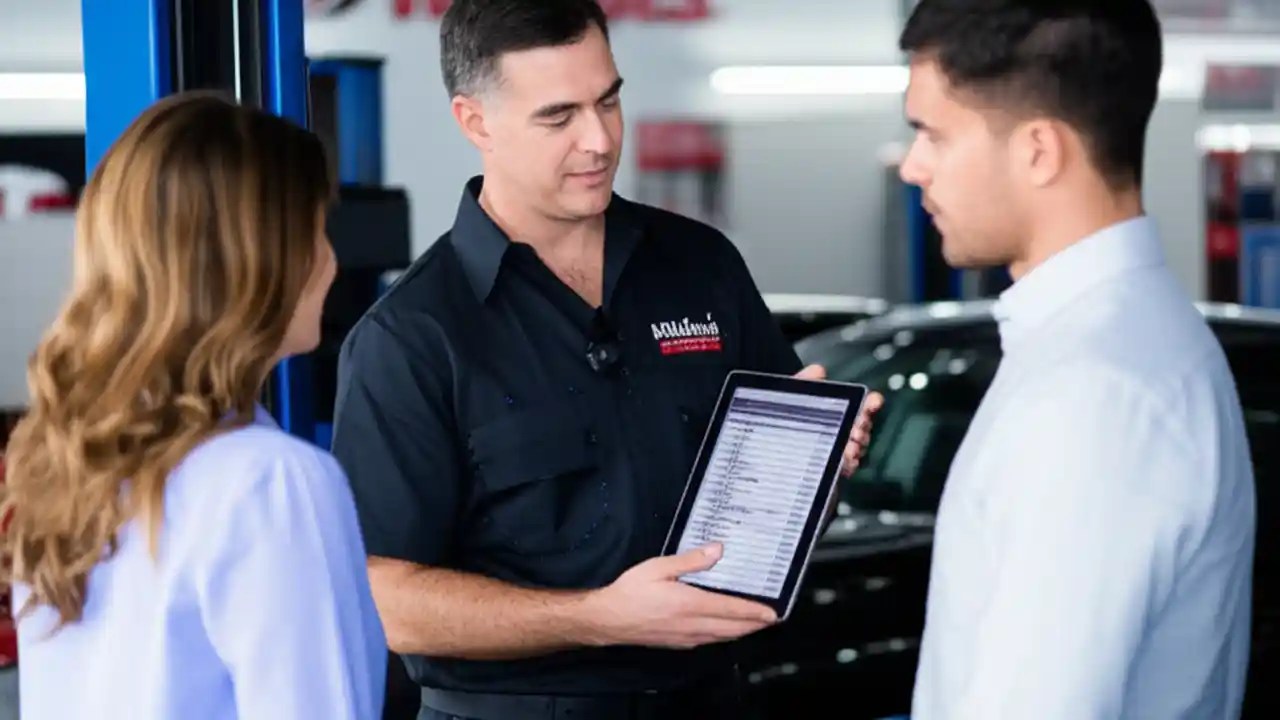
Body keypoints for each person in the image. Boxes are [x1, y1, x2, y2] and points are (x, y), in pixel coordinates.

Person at [329, 1, 882, 718]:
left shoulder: (701, 266)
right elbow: (386, 601)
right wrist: (599, 615)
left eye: (609, 100)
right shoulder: (413, 337)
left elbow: (771, 519)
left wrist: (815, 466)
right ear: (475, 123)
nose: (598, 140)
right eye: (558, 118)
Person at [897, 1, 1257, 718]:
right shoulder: (1121, 346)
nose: (913, 167)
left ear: (1039, 150)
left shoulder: (1092, 397)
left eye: (933, 135)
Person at [0, 92, 387, 720]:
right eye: (315, 234)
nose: (332, 263)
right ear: (256, 259)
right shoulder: (270, 482)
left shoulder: (64, 468)